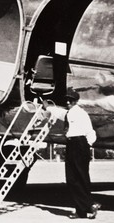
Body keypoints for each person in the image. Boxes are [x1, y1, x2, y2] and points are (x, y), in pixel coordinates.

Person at [44, 88, 101, 219]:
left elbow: (90, 132)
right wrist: (48, 107)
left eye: (71, 100)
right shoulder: (70, 113)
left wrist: (86, 145)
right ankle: (82, 210)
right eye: (67, 100)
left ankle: (89, 205)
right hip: (72, 144)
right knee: (73, 179)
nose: (68, 102)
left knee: (79, 178)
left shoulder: (80, 113)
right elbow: (61, 114)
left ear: (76, 101)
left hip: (79, 144)